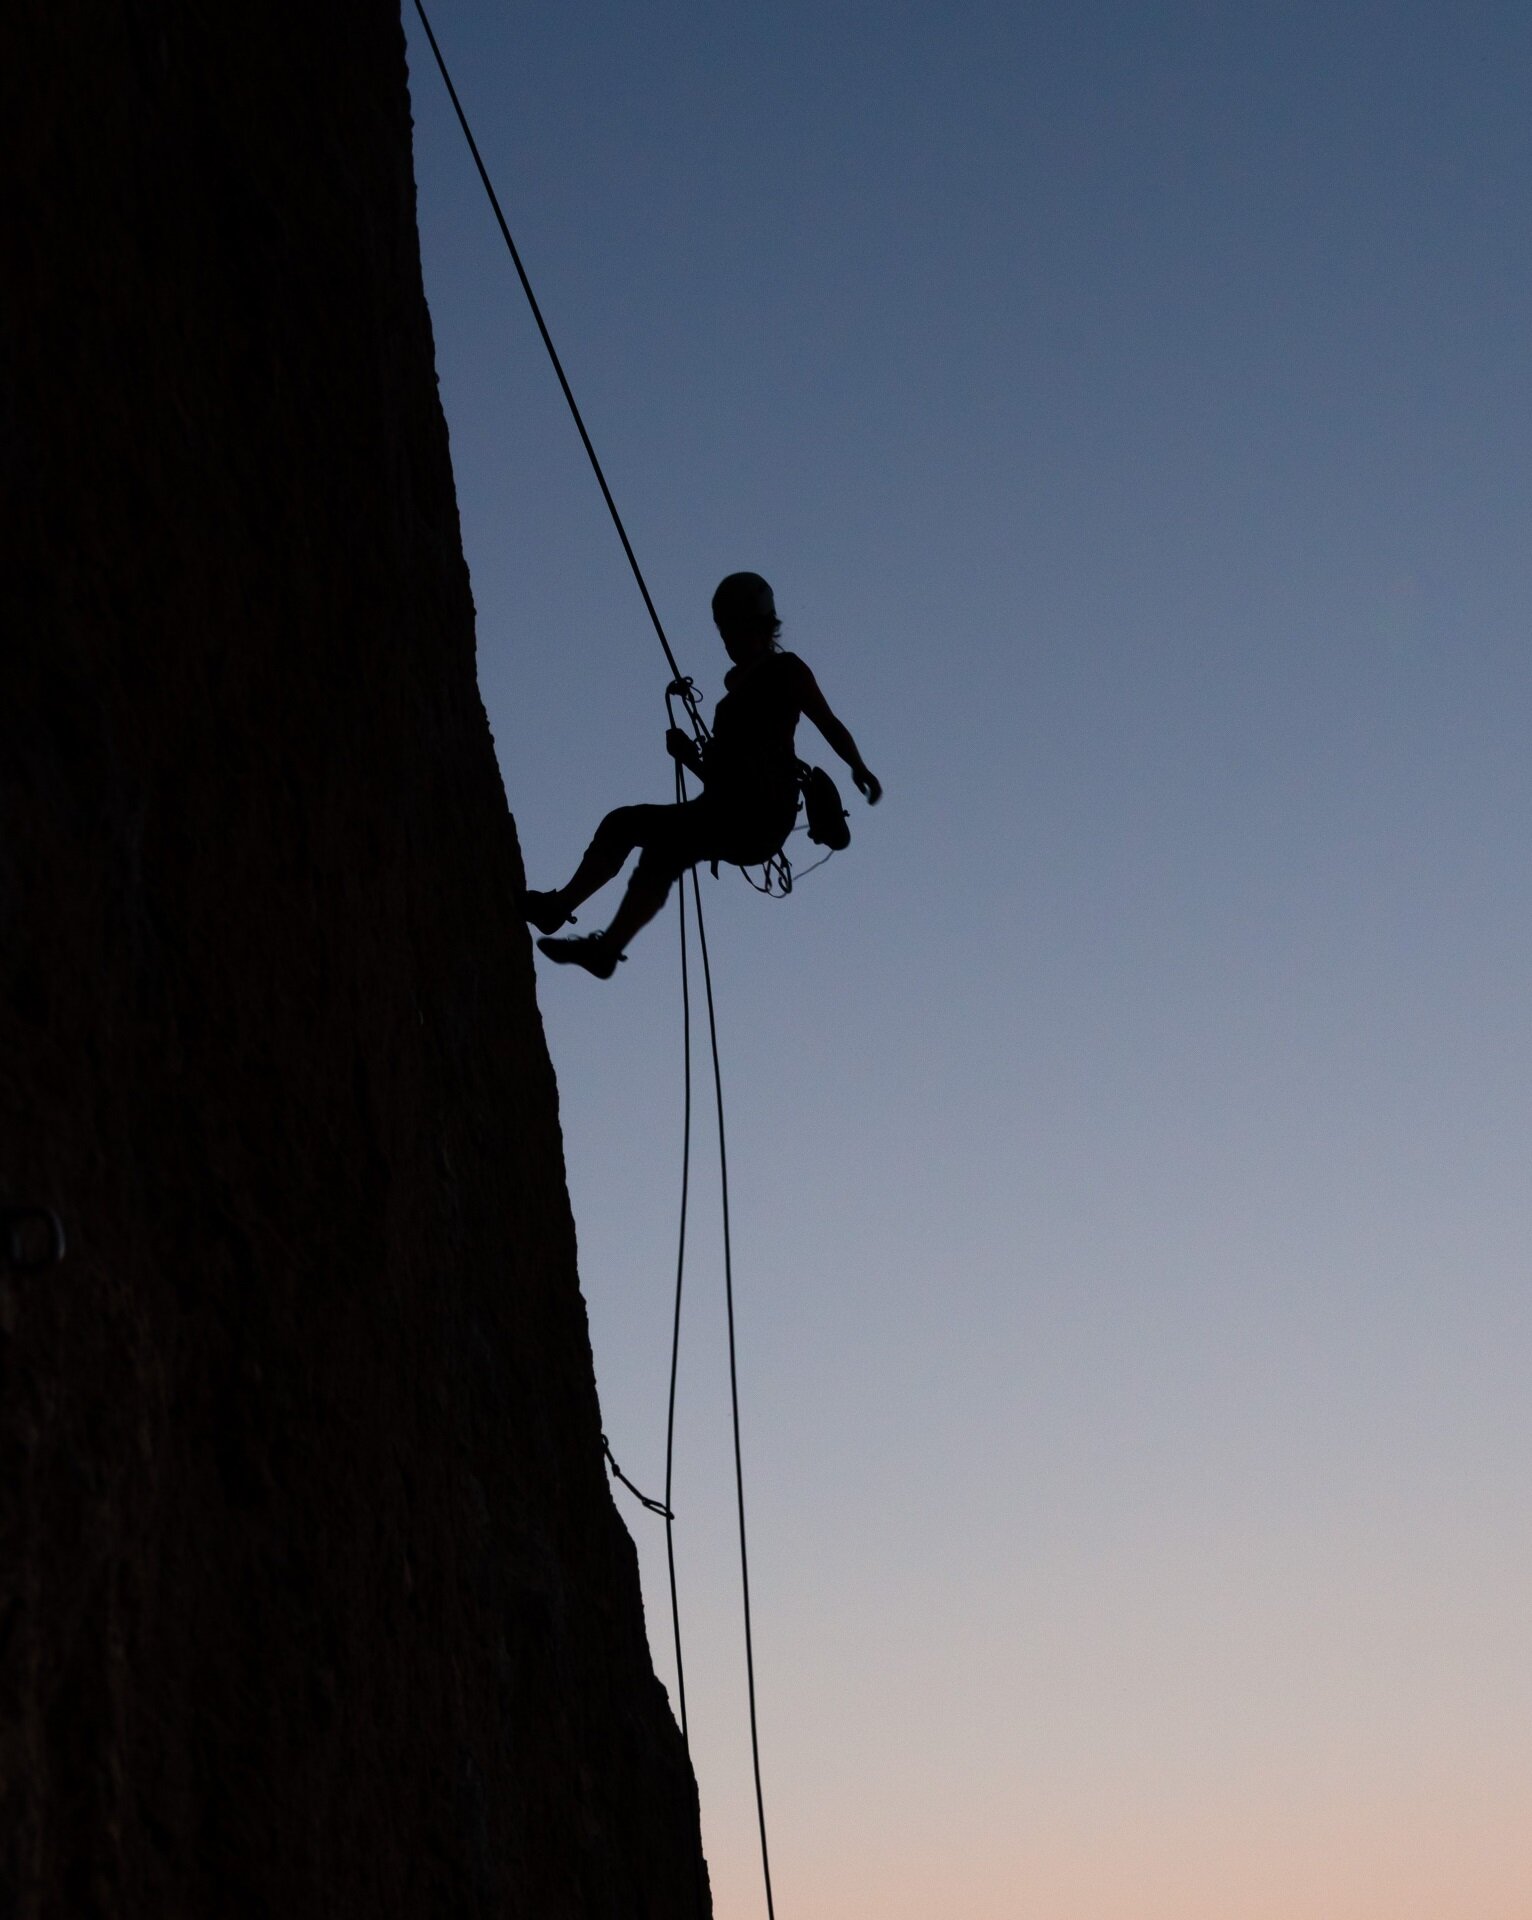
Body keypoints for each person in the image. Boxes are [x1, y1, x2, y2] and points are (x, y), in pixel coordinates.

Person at [524, 572, 882, 977]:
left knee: (661, 846)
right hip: (730, 811)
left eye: (733, 627)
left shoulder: (787, 671)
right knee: (624, 825)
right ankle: (566, 913)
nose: (726, 639)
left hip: (759, 816)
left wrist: (858, 766)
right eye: (723, 629)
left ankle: (598, 943)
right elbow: (721, 780)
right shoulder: (731, 694)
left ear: (758, 626)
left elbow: (827, 722)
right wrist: (689, 757)